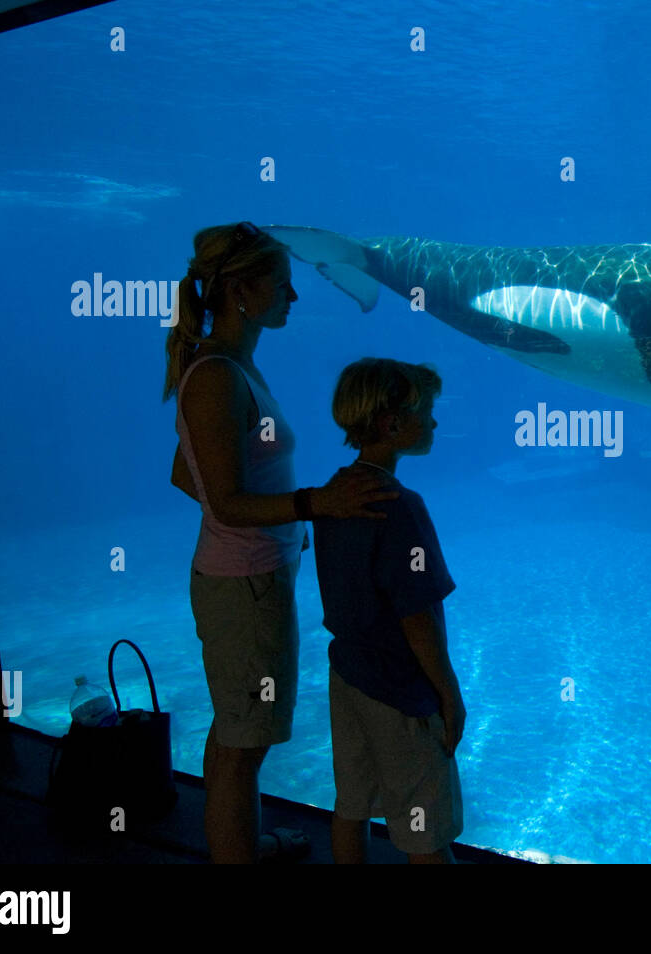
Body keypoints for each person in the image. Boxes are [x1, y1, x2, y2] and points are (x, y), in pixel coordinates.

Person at [162, 221, 399, 864]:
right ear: (243, 290)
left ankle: (245, 841)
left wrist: (279, 530)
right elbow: (228, 499)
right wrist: (311, 508)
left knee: (237, 735)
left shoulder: (230, 366)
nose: (294, 297)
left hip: (251, 574)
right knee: (244, 745)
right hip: (245, 589)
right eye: (284, 285)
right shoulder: (217, 375)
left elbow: (191, 475)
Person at [312, 358, 466, 864]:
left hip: (349, 677)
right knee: (423, 829)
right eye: (426, 411)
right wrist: (448, 694)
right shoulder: (400, 507)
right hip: (401, 692)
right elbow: (416, 617)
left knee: (351, 806)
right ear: (391, 423)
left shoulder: (335, 496)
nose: (435, 422)